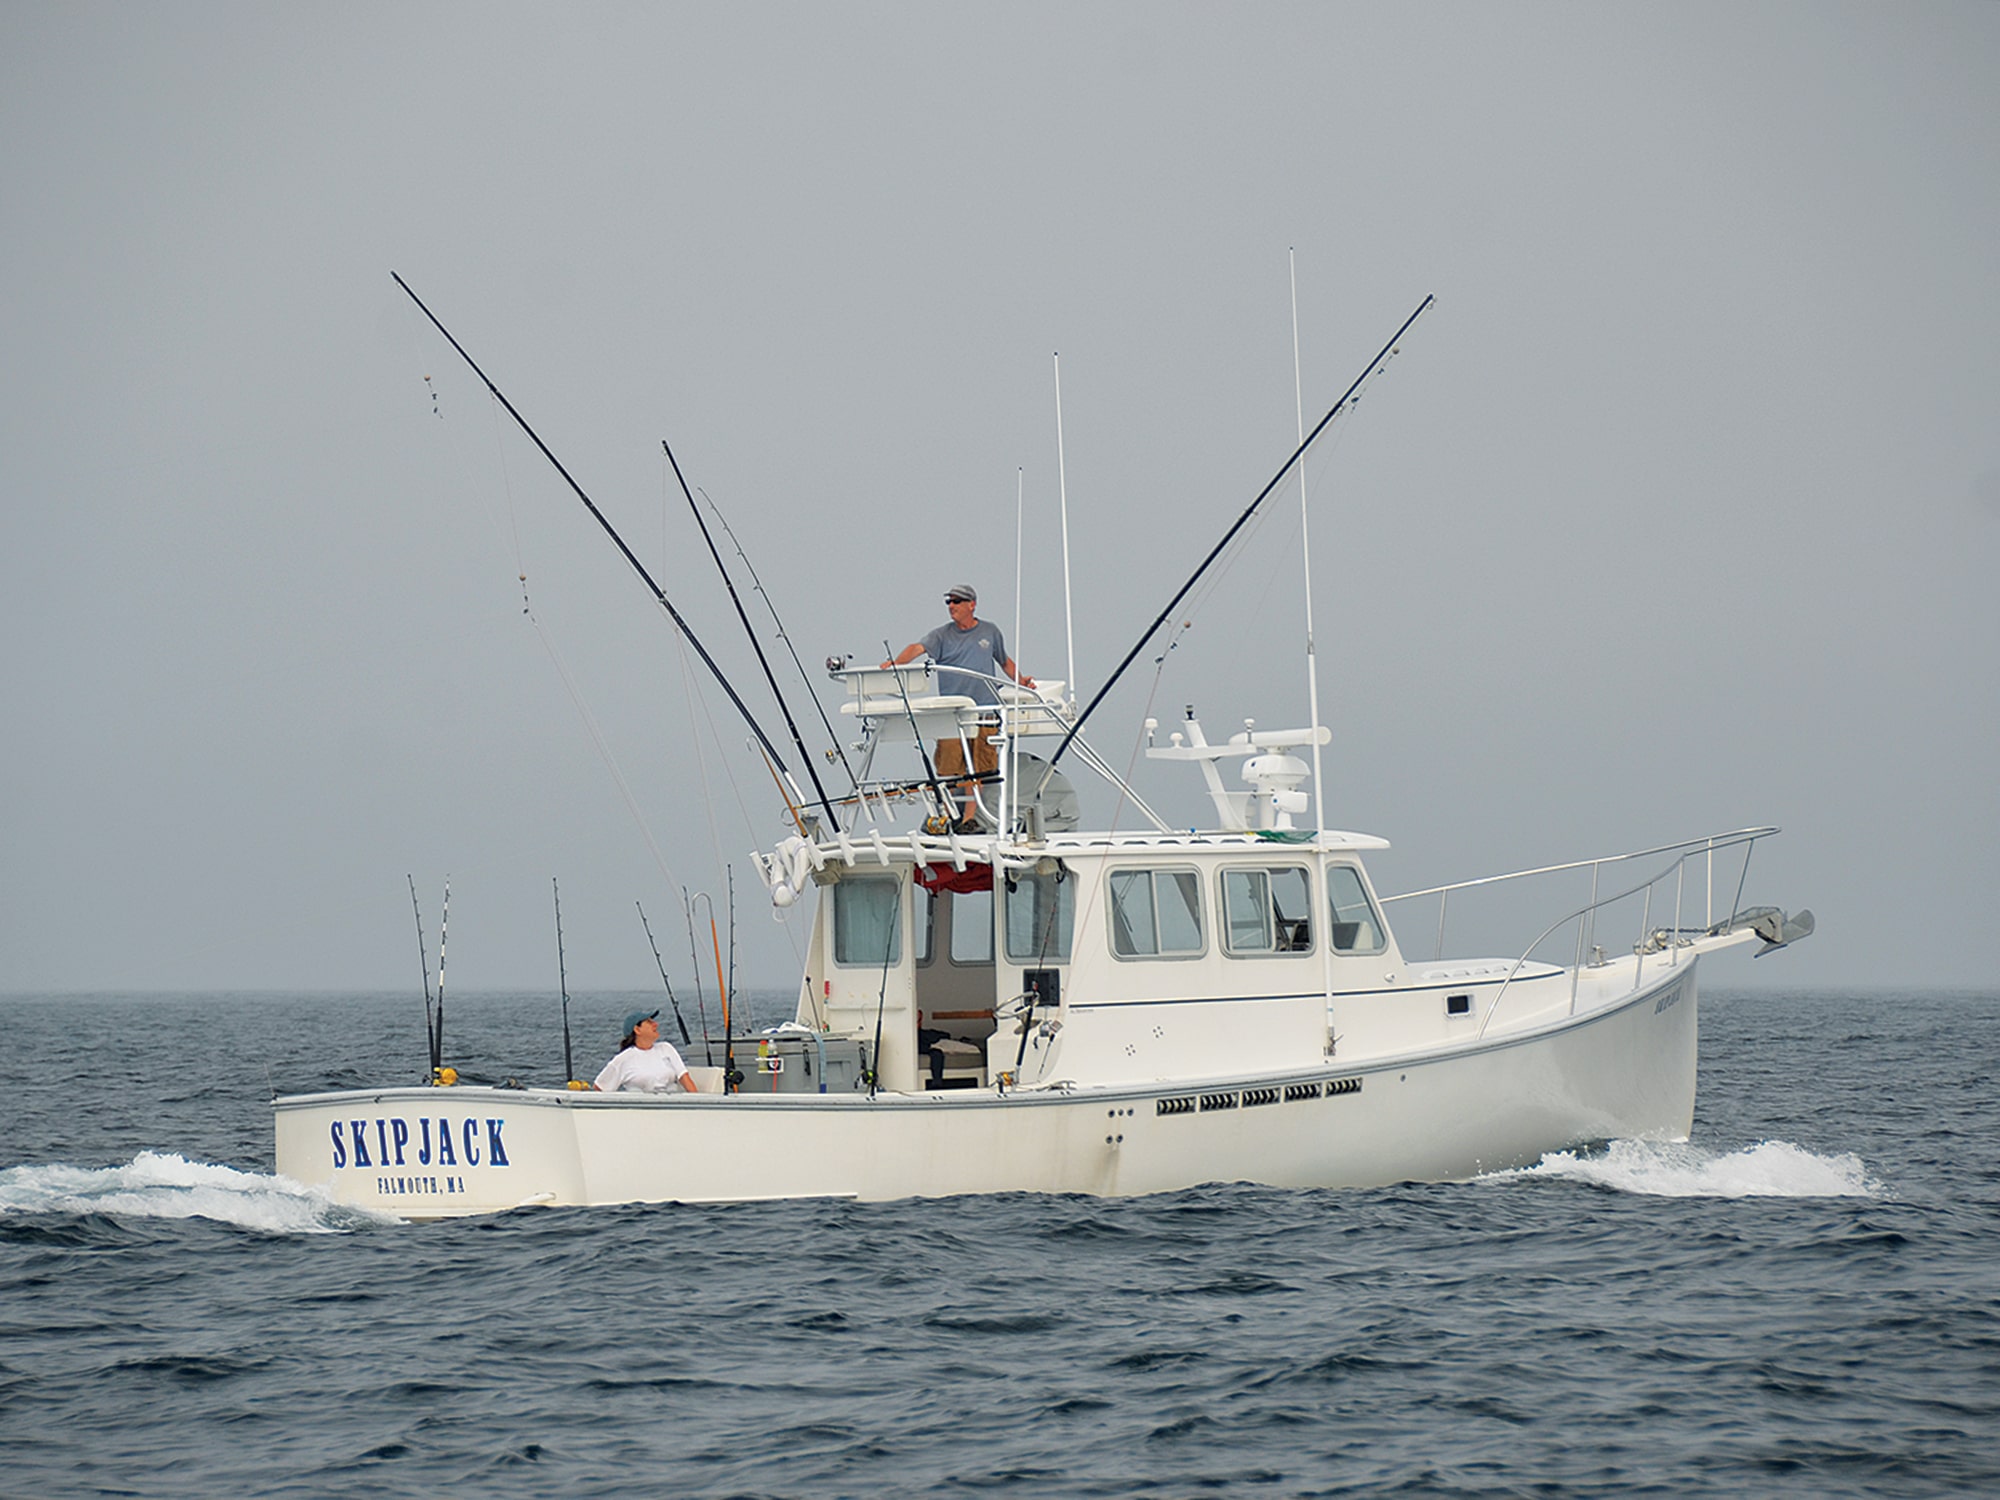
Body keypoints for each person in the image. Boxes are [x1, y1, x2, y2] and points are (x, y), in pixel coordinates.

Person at [881, 584, 1035, 831]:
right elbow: (917, 648)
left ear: (971, 604)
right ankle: (947, 815)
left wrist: (1022, 680)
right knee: (950, 770)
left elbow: (1004, 661)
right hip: (953, 715)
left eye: (957, 601)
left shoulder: (990, 631)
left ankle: (968, 820)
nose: (951, 606)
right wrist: (896, 662)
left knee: (979, 770)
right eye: (949, 602)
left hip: (984, 713)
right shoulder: (941, 635)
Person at [593, 1009, 698, 1093]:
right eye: (649, 1022)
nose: (656, 1024)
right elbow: (600, 1087)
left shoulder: (666, 1048)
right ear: (637, 1030)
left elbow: (685, 1078)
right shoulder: (624, 1058)